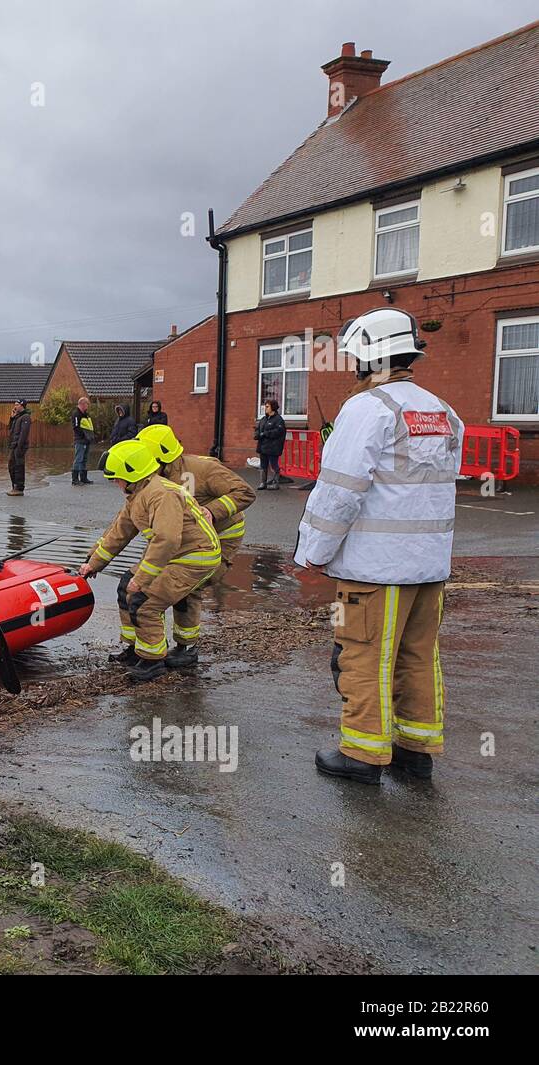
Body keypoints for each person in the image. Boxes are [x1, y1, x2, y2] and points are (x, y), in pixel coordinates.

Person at [297, 308, 462, 785]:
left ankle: (364, 754)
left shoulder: (368, 409)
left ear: (369, 359)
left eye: (355, 360)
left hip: (375, 571)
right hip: (430, 569)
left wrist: (313, 552)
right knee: (419, 656)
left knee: (363, 654)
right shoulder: (442, 410)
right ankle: (416, 752)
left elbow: (341, 489)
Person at [78, 440, 222, 682]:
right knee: (126, 586)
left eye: (117, 478)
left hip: (196, 556)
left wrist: (143, 578)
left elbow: (166, 540)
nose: (115, 483)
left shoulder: (161, 494)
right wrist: (93, 563)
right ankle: (136, 649)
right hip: (177, 554)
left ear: (132, 475)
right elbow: (118, 533)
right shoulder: (139, 494)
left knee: (144, 600)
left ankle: (152, 660)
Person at [134, 424, 256, 660]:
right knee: (158, 585)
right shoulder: (154, 476)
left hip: (221, 538)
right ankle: (155, 645)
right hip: (185, 540)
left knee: (189, 587)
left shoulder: (204, 468)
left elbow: (245, 493)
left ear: (161, 456)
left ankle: (186, 648)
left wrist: (211, 511)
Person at [254, 399, 287, 489]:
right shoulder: (264, 419)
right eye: (265, 406)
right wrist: (257, 434)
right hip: (263, 447)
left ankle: (276, 483)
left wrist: (265, 434)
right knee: (263, 465)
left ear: (273, 407)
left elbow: (278, 431)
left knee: (274, 465)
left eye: (267, 406)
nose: (266, 408)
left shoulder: (278, 420)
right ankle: (263, 483)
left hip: (273, 447)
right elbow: (258, 428)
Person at [6, 399, 32, 496]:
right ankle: (14, 486)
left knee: (19, 466)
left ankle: (19, 487)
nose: (15, 407)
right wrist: (12, 418)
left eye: (17, 405)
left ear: (22, 405)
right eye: (14, 404)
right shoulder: (17, 417)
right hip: (14, 445)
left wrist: (20, 446)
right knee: (11, 466)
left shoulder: (26, 417)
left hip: (19, 446)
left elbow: (24, 433)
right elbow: (10, 429)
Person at [71, 396, 95, 486]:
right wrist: (84, 435)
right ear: (82, 404)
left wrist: (90, 437)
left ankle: (83, 478)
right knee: (78, 459)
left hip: (86, 440)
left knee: (84, 459)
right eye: (87, 404)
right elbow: (76, 427)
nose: (87, 406)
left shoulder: (86, 414)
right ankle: (75, 479)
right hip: (80, 440)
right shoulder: (76, 414)